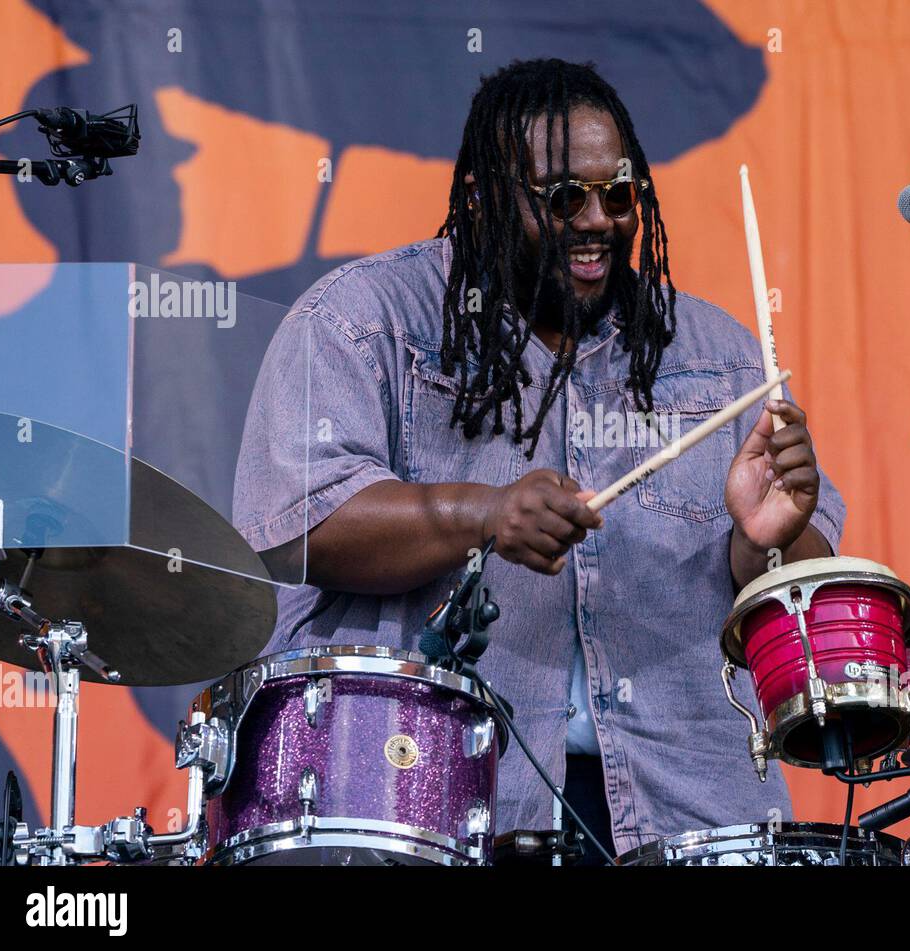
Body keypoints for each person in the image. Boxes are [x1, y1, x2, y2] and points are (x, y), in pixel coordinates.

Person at [233, 57, 845, 861]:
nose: (597, 221)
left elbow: (802, 592)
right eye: (562, 199)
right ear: (485, 198)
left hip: (685, 817)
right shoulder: (364, 321)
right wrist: (482, 515)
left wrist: (768, 541)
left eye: (618, 195)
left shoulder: (719, 357)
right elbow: (296, 527)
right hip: (434, 804)